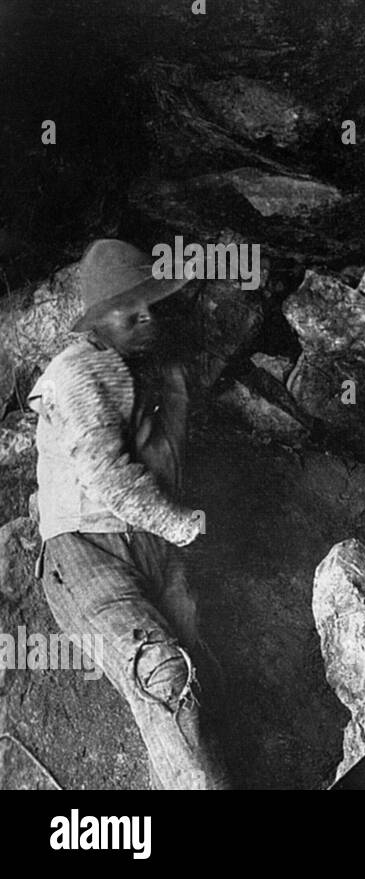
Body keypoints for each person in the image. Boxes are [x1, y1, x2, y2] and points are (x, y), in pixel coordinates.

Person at [28, 238, 229, 789]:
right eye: (127, 309)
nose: (145, 316)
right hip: (86, 548)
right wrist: (183, 524)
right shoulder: (77, 372)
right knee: (162, 674)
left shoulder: (163, 372)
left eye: (151, 303)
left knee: (206, 678)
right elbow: (106, 475)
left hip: (154, 547)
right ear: (98, 320)